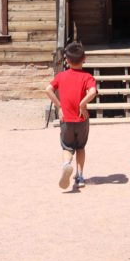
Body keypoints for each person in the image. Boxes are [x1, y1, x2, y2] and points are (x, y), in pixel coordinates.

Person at [45, 41, 98, 191]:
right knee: (80, 147)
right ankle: (80, 176)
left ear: (66, 60)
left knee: (67, 147)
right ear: (84, 59)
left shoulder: (61, 76)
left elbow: (48, 90)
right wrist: (82, 104)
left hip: (65, 119)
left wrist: (59, 105)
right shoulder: (87, 77)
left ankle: (66, 165)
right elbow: (93, 92)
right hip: (82, 118)